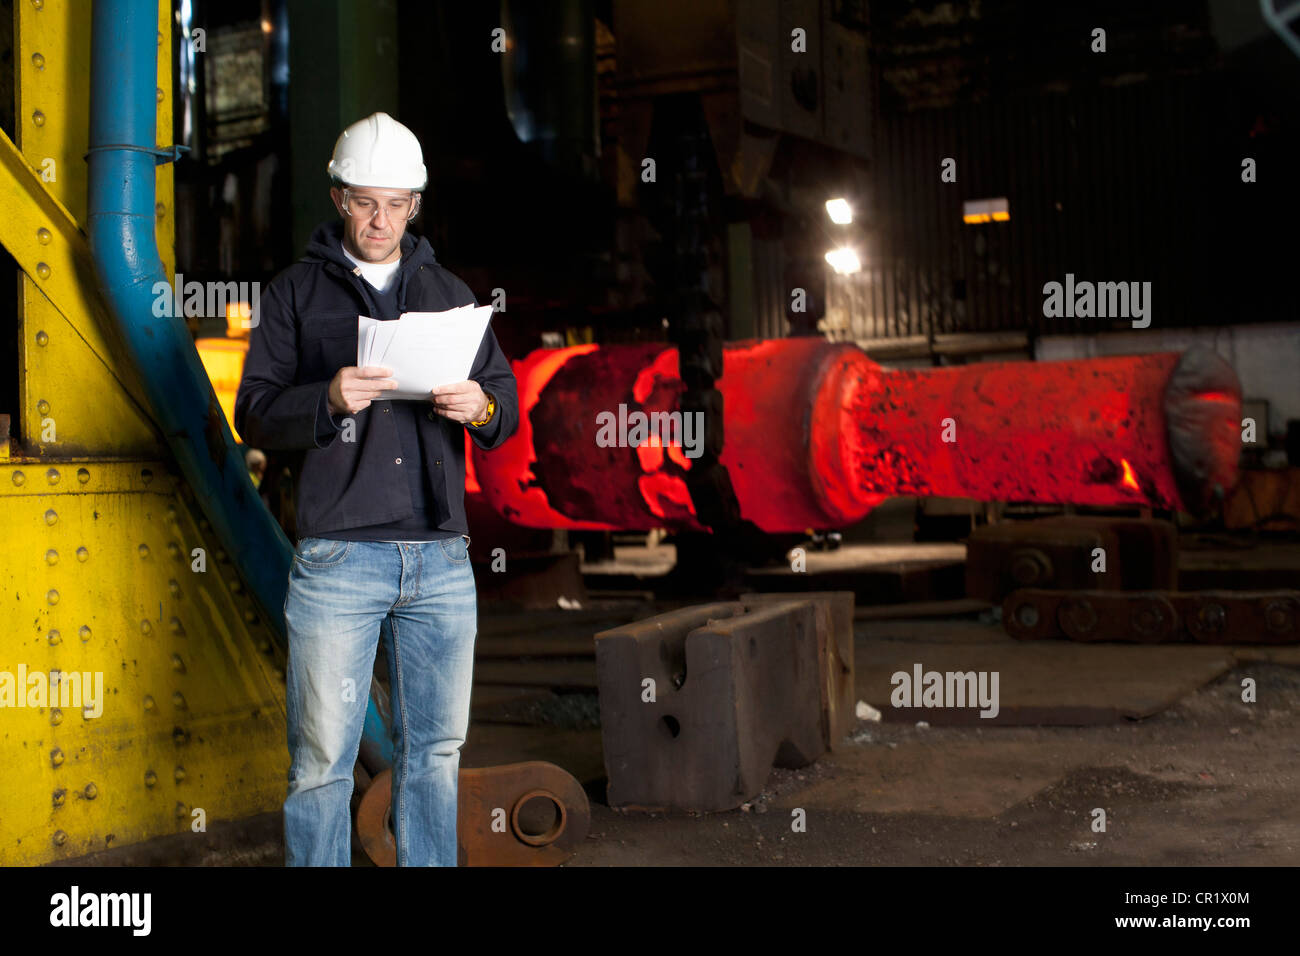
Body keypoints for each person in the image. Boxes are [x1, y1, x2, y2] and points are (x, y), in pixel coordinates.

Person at [234, 111, 518, 866]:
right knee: (321, 760)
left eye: (396, 203)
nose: (380, 219)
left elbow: (504, 403)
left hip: (440, 559)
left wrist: (478, 407)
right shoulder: (294, 294)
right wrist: (325, 399)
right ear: (338, 197)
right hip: (338, 557)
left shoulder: (451, 292)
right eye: (365, 200)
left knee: (436, 752)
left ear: (415, 205)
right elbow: (254, 413)